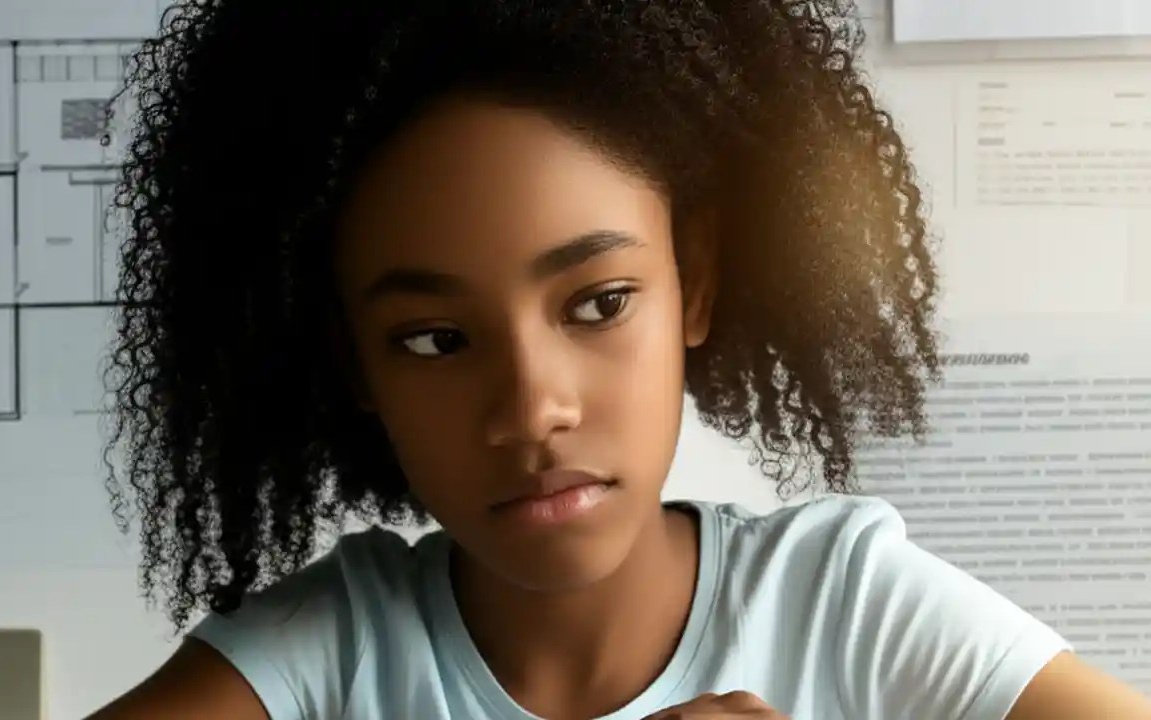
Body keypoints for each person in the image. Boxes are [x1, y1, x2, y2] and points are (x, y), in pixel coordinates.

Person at [88, 1, 1151, 718]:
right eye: (434, 340)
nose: (532, 405)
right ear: (353, 366)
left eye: (596, 303)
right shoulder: (323, 658)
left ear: (695, 282)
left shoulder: (845, 606)